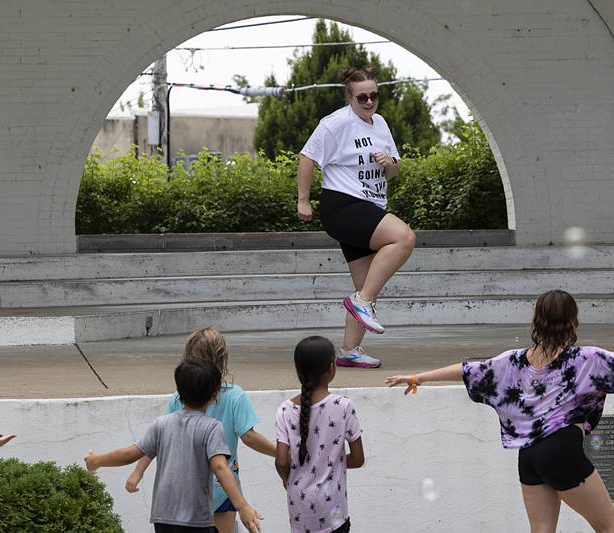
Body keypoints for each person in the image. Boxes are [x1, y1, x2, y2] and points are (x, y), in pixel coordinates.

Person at [386, 289, 614, 533]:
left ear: (537, 319)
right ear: (573, 320)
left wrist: (418, 377)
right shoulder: (584, 359)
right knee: (611, 526)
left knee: (541, 530)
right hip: (561, 449)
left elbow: (465, 369)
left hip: (529, 455)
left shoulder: (514, 361)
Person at [297, 65, 416, 368]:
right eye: (362, 97)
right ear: (349, 98)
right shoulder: (335, 123)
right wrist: (303, 201)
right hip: (343, 204)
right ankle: (361, 303)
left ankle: (350, 349)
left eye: (374, 96)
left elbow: (394, 170)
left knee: (366, 283)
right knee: (404, 238)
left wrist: (390, 162)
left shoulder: (380, 124)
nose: (369, 102)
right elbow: (307, 157)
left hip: (369, 206)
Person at [85, 360, 263, 533]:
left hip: (164, 518)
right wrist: (243, 506)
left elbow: (128, 454)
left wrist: (97, 460)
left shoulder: (161, 424)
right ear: (215, 394)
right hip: (196, 520)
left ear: (178, 392)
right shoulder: (212, 427)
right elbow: (220, 467)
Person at [126, 327, 276, 533]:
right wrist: (280, 452)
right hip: (222, 489)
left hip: (186, 496)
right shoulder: (235, 396)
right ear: (222, 360)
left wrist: (137, 471)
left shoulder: (178, 398)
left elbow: (156, 441)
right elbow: (249, 437)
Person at [275, 336, 365, 533]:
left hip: (299, 510)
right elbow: (358, 459)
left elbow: (281, 462)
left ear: (297, 369)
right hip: (334, 511)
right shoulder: (344, 406)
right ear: (332, 368)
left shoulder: (284, 410)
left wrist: (288, 479)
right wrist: (329, 463)